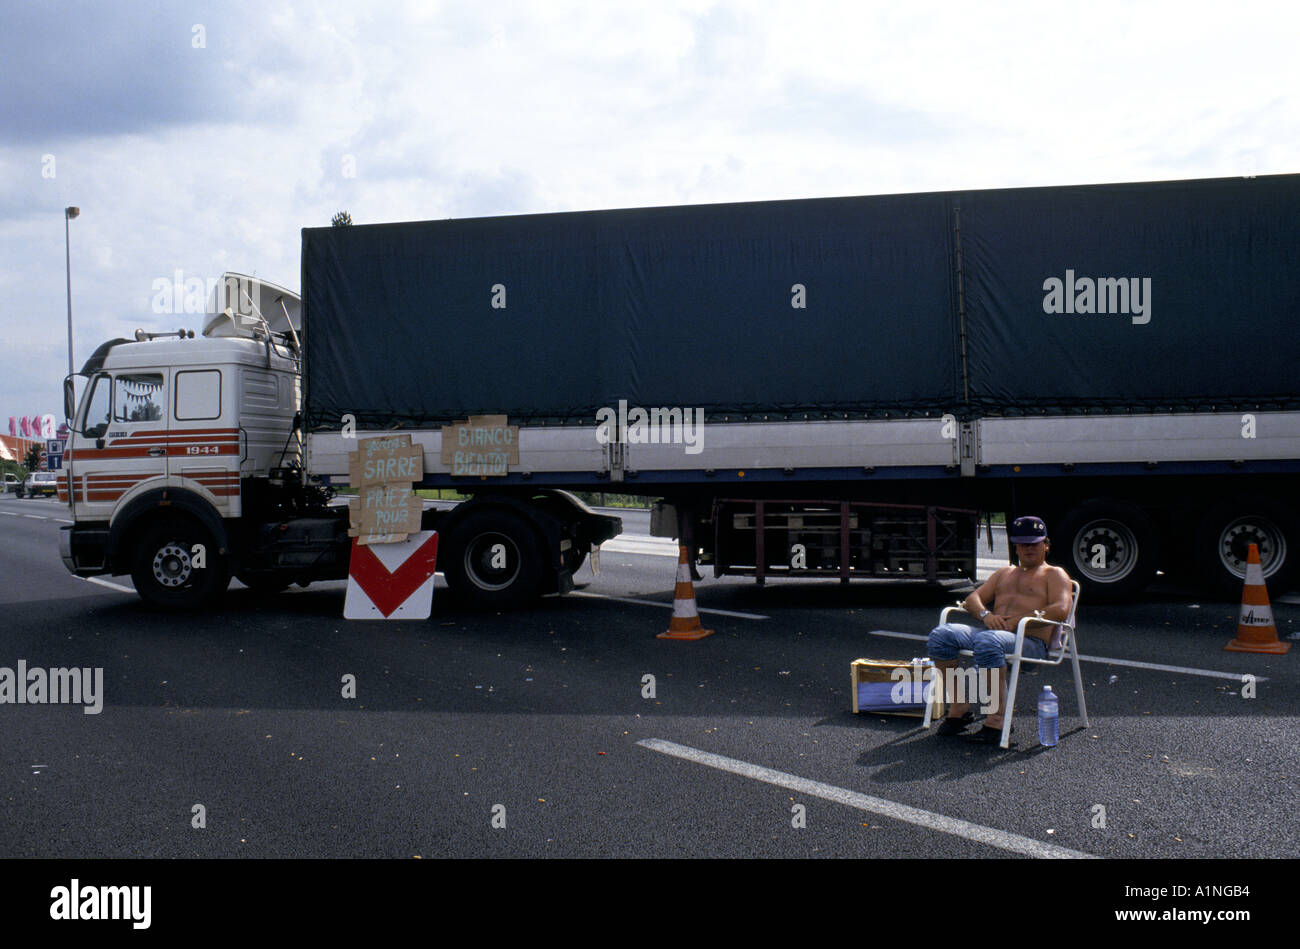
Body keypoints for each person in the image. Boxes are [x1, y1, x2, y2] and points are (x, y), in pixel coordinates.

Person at [927, 515, 1072, 743]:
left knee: (989, 641)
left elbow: (1060, 608)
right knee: (941, 635)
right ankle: (960, 707)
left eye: (1034, 543)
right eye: (1023, 543)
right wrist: (986, 615)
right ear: (1015, 546)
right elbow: (972, 598)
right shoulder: (1004, 573)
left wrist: (1018, 621)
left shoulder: (1054, 574)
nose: (1028, 548)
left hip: (1031, 643)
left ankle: (997, 718)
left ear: (1046, 545)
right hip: (993, 634)